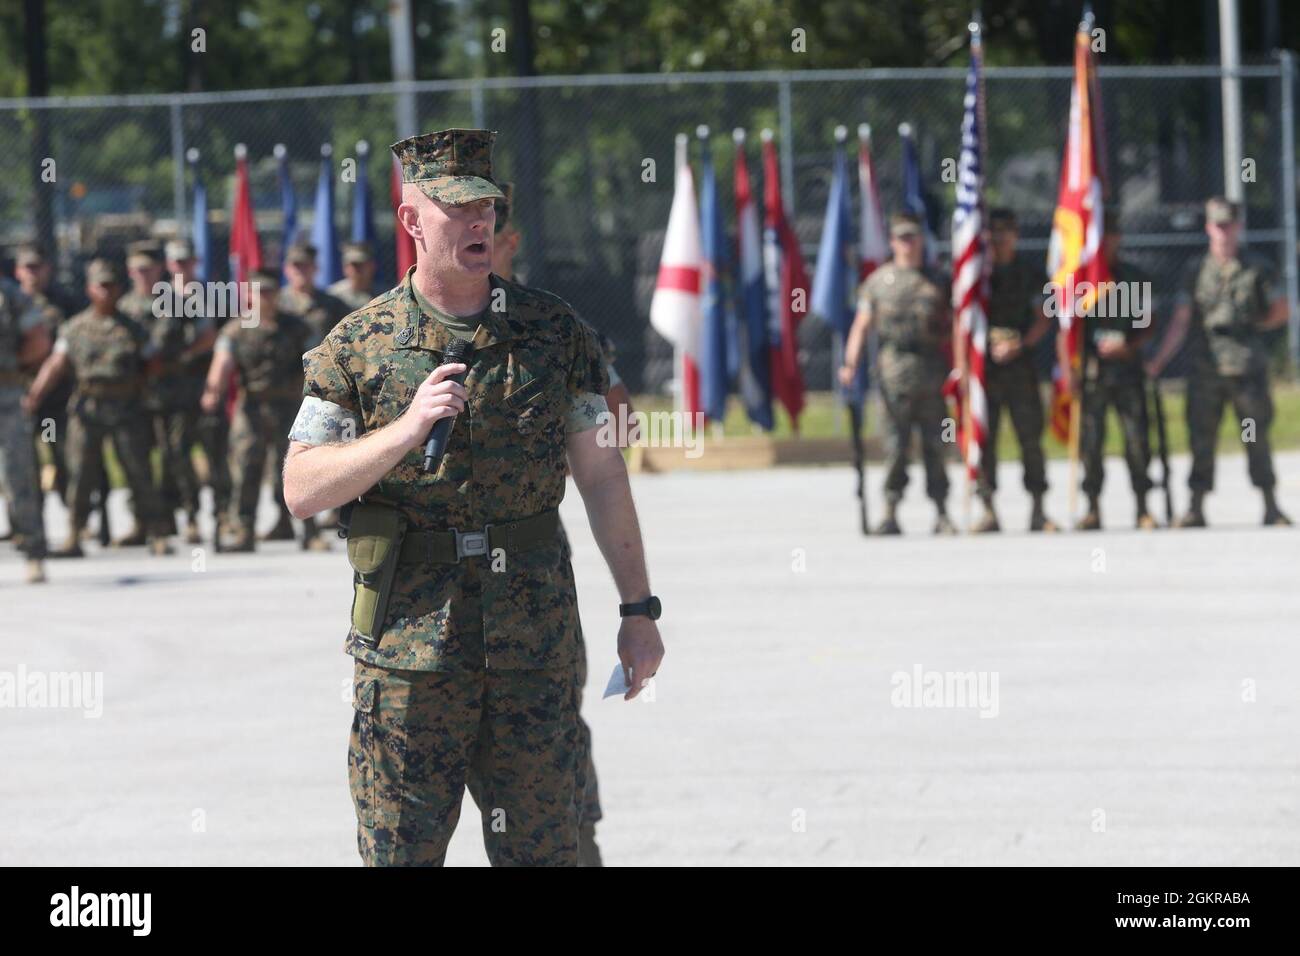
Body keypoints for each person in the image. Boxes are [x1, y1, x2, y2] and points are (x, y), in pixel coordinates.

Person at [282, 128, 664, 866]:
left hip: (533, 645)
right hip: (410, 656)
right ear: (412, 222)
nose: (477, 223)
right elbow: (301, 487)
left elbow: (604, 477)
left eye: (486, 207)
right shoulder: (357, 345)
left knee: (548, 851)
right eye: (455, 209)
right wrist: (404, 430)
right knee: (401, 853)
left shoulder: (554, 333)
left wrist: (639, 611)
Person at [1147, 197, 1291, 527]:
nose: (1224, 232)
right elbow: (1182, 320)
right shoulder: (1196, 270)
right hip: (1205, 370)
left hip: (1245, 371)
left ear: (1238, 226)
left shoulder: (1257, 267)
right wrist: (1159, 361)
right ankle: (1196, 507)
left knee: (1254, 437)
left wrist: (1252, 326)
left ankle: (1270, 504)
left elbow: (1281, 310)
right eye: (1218, 225)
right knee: (1202, 438)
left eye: (1229, 225)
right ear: (1209, 228)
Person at [23, 258, 174, 557]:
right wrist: (35, 395)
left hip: (127, 407)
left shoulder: (133, 328)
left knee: (138, 470)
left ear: (118, 289)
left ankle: (155, 532)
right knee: (80, 473)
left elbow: (153, 364)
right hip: (87, 408)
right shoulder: (75, 328)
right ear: (90, 289)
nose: (106, 292)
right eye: (100, 286)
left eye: (111, 286)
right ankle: (75, 534)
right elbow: (56, 364)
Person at [839, 212, 954, 535]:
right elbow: (861, 326)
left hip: (932, 374)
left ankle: (942, 511)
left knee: (936, 445)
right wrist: (850, 365)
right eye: (902, 237)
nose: (908, 243)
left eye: (913, 236)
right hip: (893, 376)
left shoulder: (938, 280)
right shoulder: (877, 282)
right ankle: (890, 510)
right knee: (895, 446)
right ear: (892, 242)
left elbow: (957, 326)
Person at [200, 268, 328, 553]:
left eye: (270, 291)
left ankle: (310, 531)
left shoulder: (297, 327)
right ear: (249, 294)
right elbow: (222, 362)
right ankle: (244, 530)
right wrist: (213, 392)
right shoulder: (236, 329)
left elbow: (316, 365)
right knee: (246, 468)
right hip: (252, 408)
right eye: (259, 291)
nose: (265, 297)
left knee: (299, 469)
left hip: (290, 407)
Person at [967, 208, 1057, 533]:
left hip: (1021, 370)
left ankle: (1038, 508)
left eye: (1007, 231)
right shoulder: (976, 275)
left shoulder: (1031, 273)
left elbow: (1045, 317)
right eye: (994, 232)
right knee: (985, 441)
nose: (1000, 238)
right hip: (985, 373)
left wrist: (1020, 345)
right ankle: (988, 509)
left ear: (1016, 236)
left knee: (1030, 439)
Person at [1066, 218, 1158, 530]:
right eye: (1100, 234)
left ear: (1118, 237)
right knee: (1090, 443)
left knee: (1137, 441)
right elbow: (1065, 329)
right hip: (1092, 375)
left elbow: (1149, 323)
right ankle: (1092, 507)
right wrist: (1069, 370)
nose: (1106, 240)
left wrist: (1129, 346)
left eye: (1111, 234)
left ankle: (1143, 507)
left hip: (1127, 372)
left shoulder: (1135, 278)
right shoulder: (1077, 281)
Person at [163, 238, 231, 547]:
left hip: (206, 385)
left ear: (195, 261)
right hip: (172, 391)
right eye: (177, 262)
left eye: (187, 261)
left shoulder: (213, 294)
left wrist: (193, 351)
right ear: (169, 264)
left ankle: (221, 515)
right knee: (177, 453)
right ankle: (190, 514)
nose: (182, 267)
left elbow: (224, 335)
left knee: (214, 451)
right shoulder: (159, 297)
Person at [13, 245, 80, 507]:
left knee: (58, 454)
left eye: (37, 267)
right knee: (23, 461)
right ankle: (28, 523)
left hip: (52, 404)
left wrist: (37, 392)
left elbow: (61, 354)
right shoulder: (10, 305)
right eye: (27, 268)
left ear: (48, 270)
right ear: (18, 271)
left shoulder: (63, 305)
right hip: (17, 401)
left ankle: (73, 516)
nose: (33, 274)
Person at [118, 238, 172, 542]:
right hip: (133, 398)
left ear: (160, 269)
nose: (143, 275)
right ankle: (141, 521)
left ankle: (171, 519)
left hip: (170, 395)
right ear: (130, 271)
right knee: (135, 461)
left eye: (149, 269)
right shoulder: (122, 306)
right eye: (138, 269)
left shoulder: (174, 302)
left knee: (170, 458)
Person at [1, 273, 50, 582]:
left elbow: (40, 339)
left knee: (19, 476)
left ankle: (33, 551)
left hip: (6, 398)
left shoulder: (10, 295)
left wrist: (11, 368)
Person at [327, 242, 378, 312]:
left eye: (361, 264)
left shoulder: (384, 293)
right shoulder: (334, 296)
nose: (357, 269)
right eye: (354, 265)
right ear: (345, 268)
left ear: (372, 266)